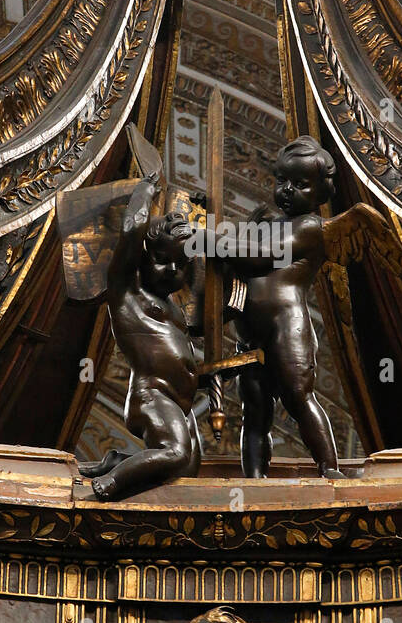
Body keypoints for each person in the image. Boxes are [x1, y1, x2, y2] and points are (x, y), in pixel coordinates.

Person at [78, 169, 202, 500]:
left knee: (186, 470)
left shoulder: (172, 305)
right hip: (153, 396)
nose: (174, 270)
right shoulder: (127, 292)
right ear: (145, 255)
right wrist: (145, 191)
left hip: (179, 403)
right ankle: (114, 481)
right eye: (164, 260)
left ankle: (119, 460)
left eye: (182, 263)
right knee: (175, 453)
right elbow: (132, 232)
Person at [228, 136, 344, 479]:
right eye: (282, 181)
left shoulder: (311, 228)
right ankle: (254, 481)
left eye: (300, 184)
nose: (288, 190)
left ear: (319, 192)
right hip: (250, 336)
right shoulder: (268, 223)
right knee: (255, 411)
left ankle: (329, 469)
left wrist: (205, 238)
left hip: (285, 326)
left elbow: (260, 256)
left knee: (296, 395)